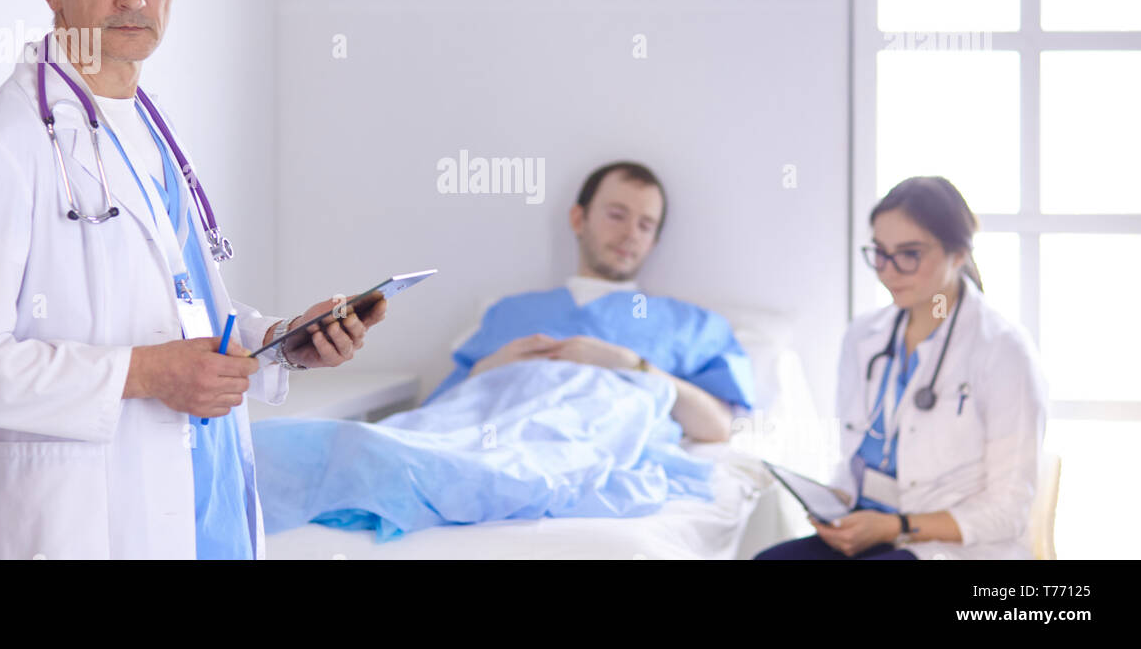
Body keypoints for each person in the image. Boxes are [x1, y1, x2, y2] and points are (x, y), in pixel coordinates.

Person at [0, 0, 385, 560]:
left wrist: (280, 342)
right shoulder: (5, 141)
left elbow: (176, 308)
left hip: (204, 498)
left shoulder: (147, 125)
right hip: (85, 520)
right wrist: (143, 376)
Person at [755, 176, 1047, 560]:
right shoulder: (863, 337)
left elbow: (1008, 510)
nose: (888, 271)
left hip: (951, 547)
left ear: (958, 253)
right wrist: (836, 507)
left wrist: (899, 526)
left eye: (909, 254)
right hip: (873, 532)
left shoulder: (1003, 350)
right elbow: (854, 456)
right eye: (880, 252)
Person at [425, 161, 753, 442]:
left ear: (654, 241)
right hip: (493, 443)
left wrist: (631, 366)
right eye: (616, 215)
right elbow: (442, 414)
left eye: (645, 225)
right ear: (579, 219)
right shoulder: (509, 314)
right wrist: (490, 368)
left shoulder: (687, 324)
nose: (630, 234)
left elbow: (720, 427)